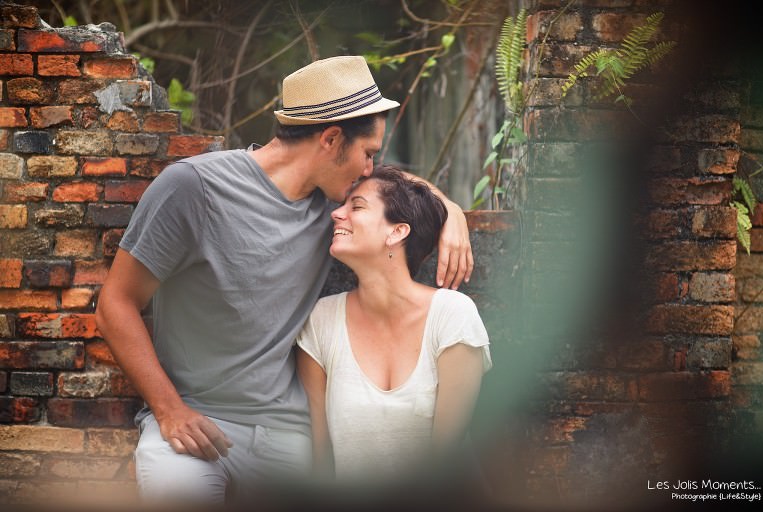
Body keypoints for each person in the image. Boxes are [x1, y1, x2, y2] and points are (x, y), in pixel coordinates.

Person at [95, 55, 473, 504]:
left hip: (286, 433)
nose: (369, 169)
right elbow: (115, 304)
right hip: (191, 423)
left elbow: (399, 193)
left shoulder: (335, 203)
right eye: (368, 153)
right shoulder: (192, 188)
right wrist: (168, 409)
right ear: (331, 139)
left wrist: (452, 213)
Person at [296, 166, 491, 490]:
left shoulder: (452, 315)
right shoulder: (321, 320)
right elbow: (321, 462)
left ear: (397, 232)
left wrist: (450, 211)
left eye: (356, 206)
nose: (337, 215)